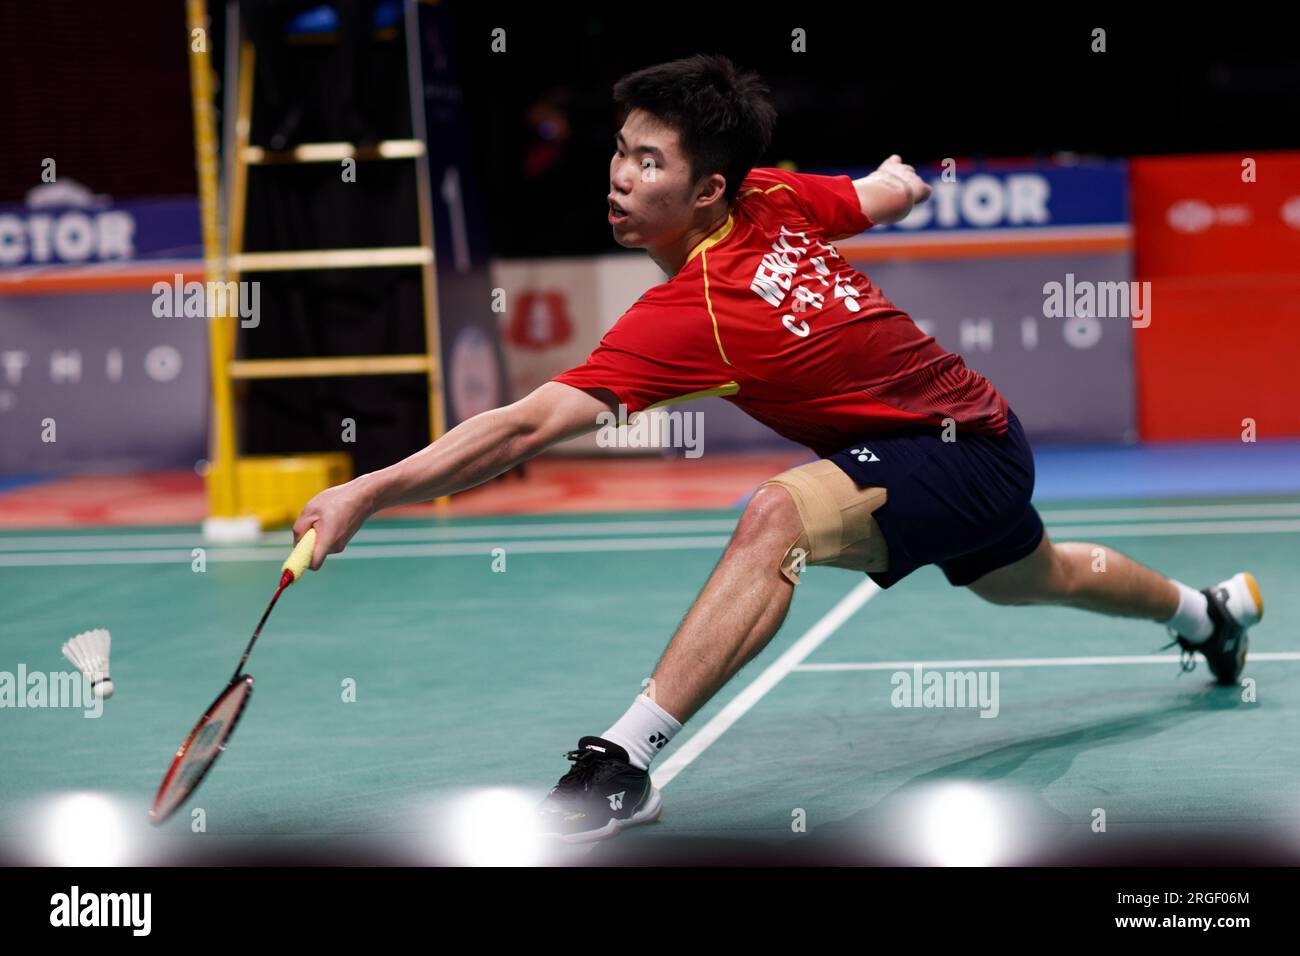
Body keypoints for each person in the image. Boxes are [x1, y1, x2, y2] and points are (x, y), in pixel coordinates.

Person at [291, 54, 1264, 844]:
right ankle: (1206, 614)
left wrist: (366, 490)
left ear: (710, 187)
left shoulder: (714, 281)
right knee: (1031, 573)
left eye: (650, 164)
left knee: (778, 515)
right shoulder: (762, 208)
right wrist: (899, 184)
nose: (622, 177)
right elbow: (869, 196)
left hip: (955, 446)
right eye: (622, 153)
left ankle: (620, 762)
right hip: (977, 441)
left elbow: (521, 426)